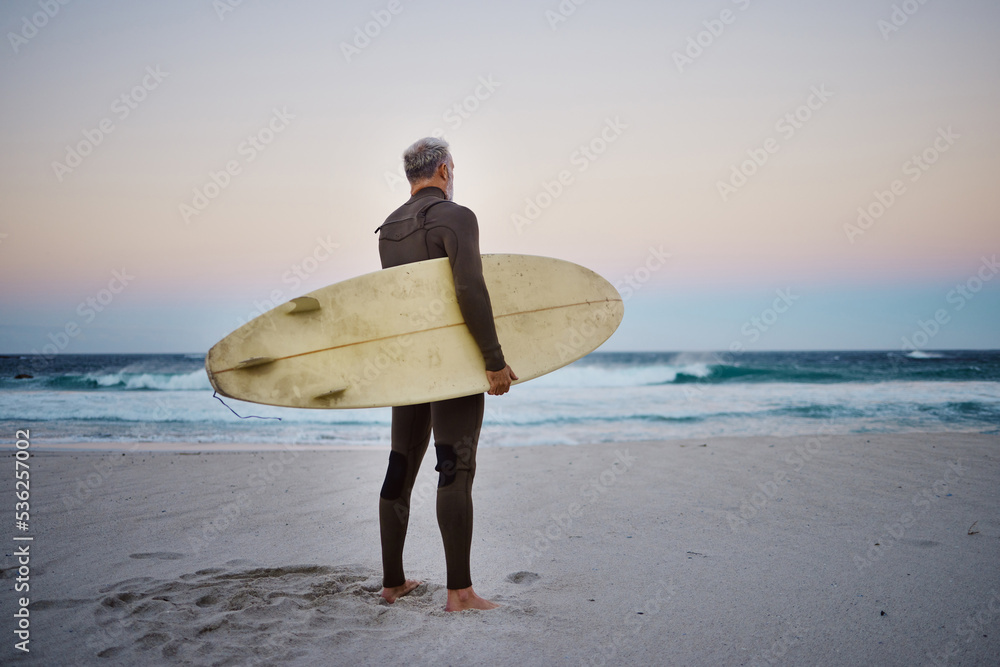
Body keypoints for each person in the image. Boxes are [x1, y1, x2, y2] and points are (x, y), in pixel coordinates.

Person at [374, 137, 517, 612]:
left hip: (409, 365)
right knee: (455, 467)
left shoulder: (388, 229)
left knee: (400, 465)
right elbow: (469, 288)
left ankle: (392, 583)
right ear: (442, 170)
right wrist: (494, 359)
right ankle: (460, 593)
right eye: (452, 169)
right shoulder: (457, 217)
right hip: (451, 364)